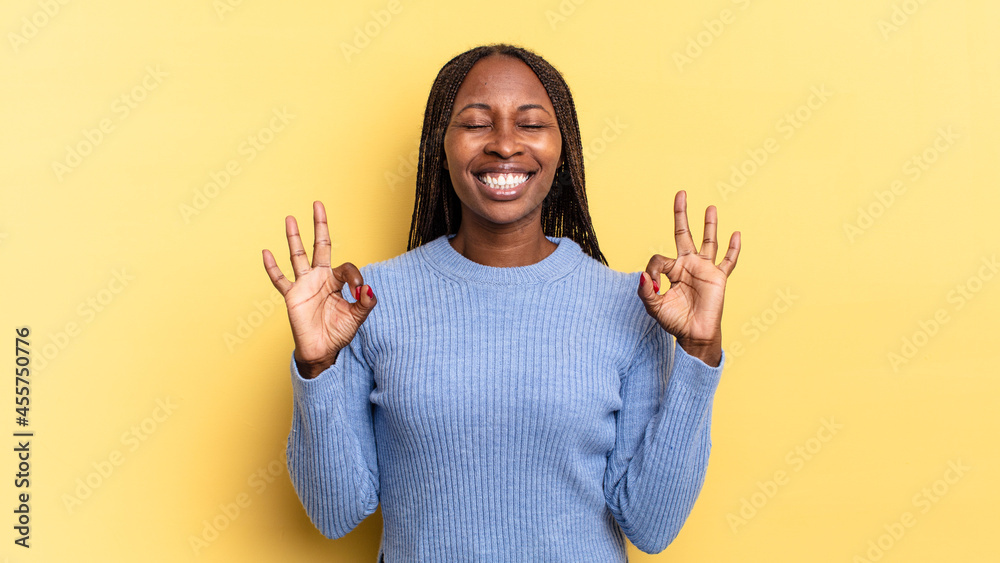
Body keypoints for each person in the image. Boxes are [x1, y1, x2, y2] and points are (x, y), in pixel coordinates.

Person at [262, 43, 740, 562]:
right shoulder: (368, 304)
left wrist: (698, 350)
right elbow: (336, 514)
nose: (505, 145)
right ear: (439, 147)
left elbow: (651, 525)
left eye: (531, 124)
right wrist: (316, 365)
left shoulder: (632, 306)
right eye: (475, 123)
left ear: (564, 148)